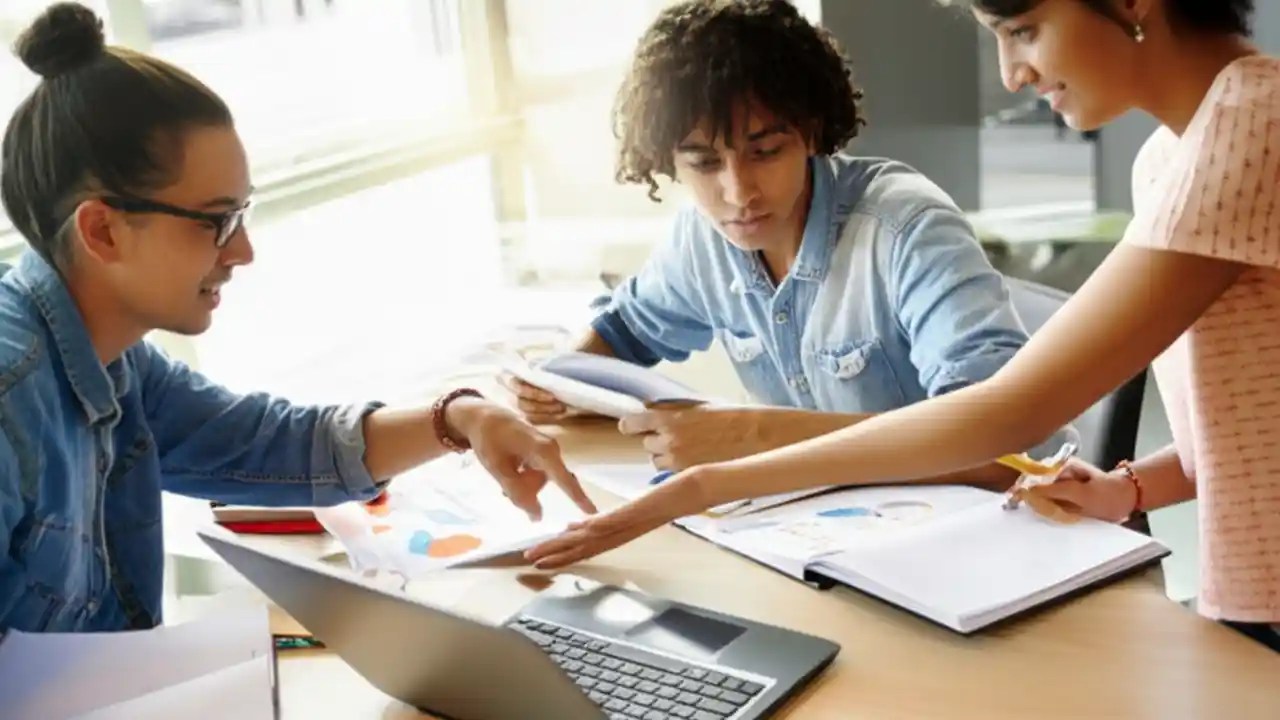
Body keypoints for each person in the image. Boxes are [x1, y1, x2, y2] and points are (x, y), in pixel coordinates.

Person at [527, 0, 1280, 652]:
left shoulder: (1252, 127)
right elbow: (1255, 415)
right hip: (1248, 591)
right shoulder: (1172, 157)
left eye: (1022, 30)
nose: (1011, 72)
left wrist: (711, 478)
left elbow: (1012, 412)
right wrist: (1131, 488)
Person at [0, 3, 594, 634]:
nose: (243, 251)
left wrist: (457, 419)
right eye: (217, 220)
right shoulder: (11, 400)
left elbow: (272, 444)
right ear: (103, 230)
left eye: (243, 214)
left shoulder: (117, 363)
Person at [503, 0, 1066, 486]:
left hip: (973, 538)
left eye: (765, 152)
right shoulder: (702, 238)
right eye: (702, 163)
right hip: (828, 532)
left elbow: (1006, 451)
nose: (737, 191)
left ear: (812, 131)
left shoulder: (907, 229)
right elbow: (623, 332)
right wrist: (555, 385)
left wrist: (755, 436)